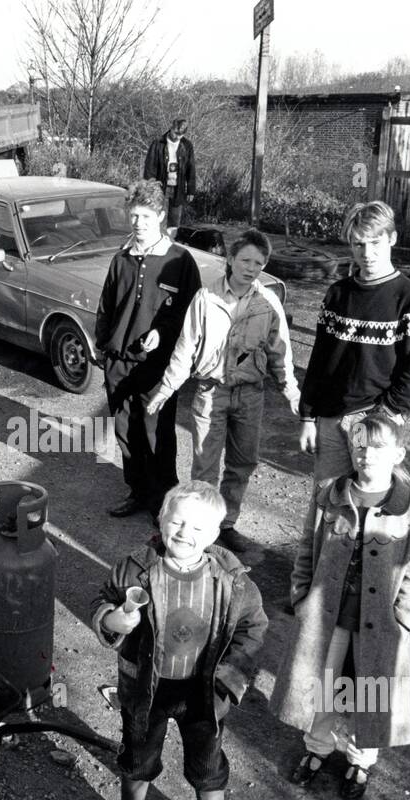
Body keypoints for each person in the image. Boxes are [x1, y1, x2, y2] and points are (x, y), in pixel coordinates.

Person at [91, 481, 268, 800]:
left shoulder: (232, 579)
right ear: (161, 518)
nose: (186, 534)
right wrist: (113, 619)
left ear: (216, 533)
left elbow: (253, 628)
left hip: (204, 690)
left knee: (207, 761)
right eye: (178, 521)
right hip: (145, 687)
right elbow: (102, 599)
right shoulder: (135, 568)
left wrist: (229, 679)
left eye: (199, 528)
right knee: (138, 754)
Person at [272, 413, 410, 800]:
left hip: (381, 624)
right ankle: (317, 750)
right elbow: (306, 550)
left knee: (370, 690)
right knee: (325, 685)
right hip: (328, 616)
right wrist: (300, 596)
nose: (366, 454)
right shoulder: (329, 494)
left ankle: (360, 759)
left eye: (378, 446)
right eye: (359, 444)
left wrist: (404, 619)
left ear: (398, 453)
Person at [145, 229, 300, 556]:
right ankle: (197, 533)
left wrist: (291, 392)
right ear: (230, 260)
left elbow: (279, 353)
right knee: (204, 468)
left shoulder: (267, 303)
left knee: (243, 463)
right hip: (210, 393)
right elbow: (186, 350)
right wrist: (166, 388)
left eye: (259, 263)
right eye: (245, 260)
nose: (251, 268)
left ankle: (225, 526)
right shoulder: (205, 299)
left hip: (250, 396)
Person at [298, 201, 410, 484]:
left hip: (371, 418)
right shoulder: (338, 295)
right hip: (330, 417)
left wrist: (386, 412)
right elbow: (320, 359)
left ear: (392, 239)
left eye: (376, 242)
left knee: (369, 497)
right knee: (329, 496)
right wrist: (307, 416)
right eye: (359, 244)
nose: (368, 253)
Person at [93, 179, 202, 522]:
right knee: (127, 432)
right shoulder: (122, 259)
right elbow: (106, 307)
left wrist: (162, 332)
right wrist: (103, 348)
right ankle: (137, 492)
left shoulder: (180, 261)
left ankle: (163, 501)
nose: (137, 223)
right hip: (120, 363)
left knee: (157, 434)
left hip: (158, 367)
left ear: (160, 216)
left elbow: (192, 314)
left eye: (145, 216)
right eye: (133, 216)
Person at [143, 118, 195, 234]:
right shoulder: (158, 143)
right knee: (157, 217)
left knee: (174, 222)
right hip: (159, 186)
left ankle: (171, 244)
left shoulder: (187, 145)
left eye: (181, 135)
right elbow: (149, 167)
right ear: (171, 128)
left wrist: (191, 190)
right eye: (176, 133)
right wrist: (149, 187)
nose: (177, 137)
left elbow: (191, 168)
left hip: (178, 187)